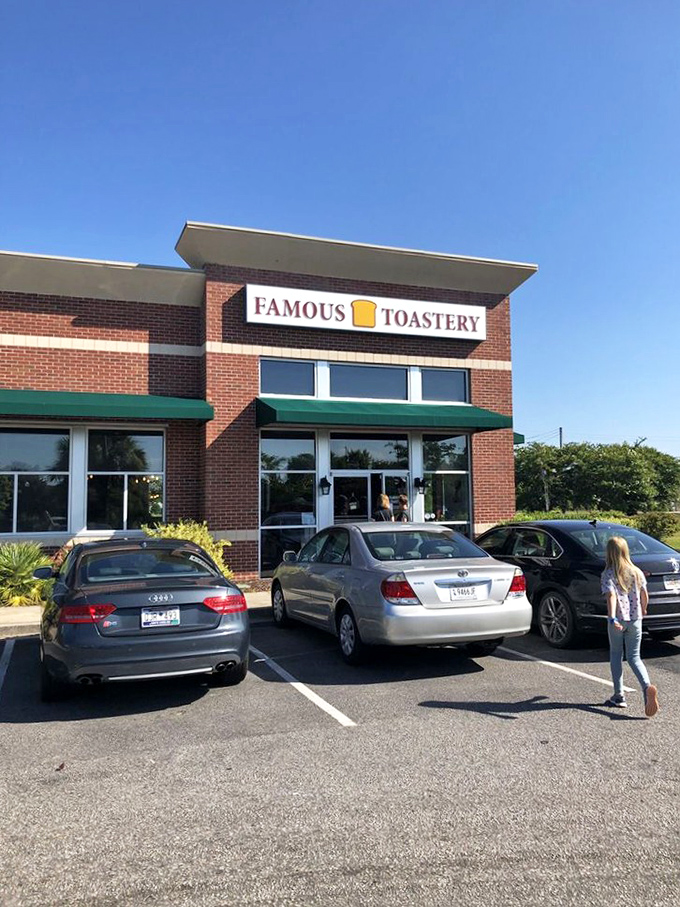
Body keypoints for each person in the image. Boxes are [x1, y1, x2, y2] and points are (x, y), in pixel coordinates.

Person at [601, 536, 659, 717]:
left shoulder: (608, 573)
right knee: (635, 657)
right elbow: (644, 594)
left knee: (616, 655)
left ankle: (619, 695)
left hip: (618, 620)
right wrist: (644, 609)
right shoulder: (637, 572)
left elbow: (611, 596)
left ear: (609, 553)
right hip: (636, 620)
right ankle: (646, 687)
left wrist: (612, 618)